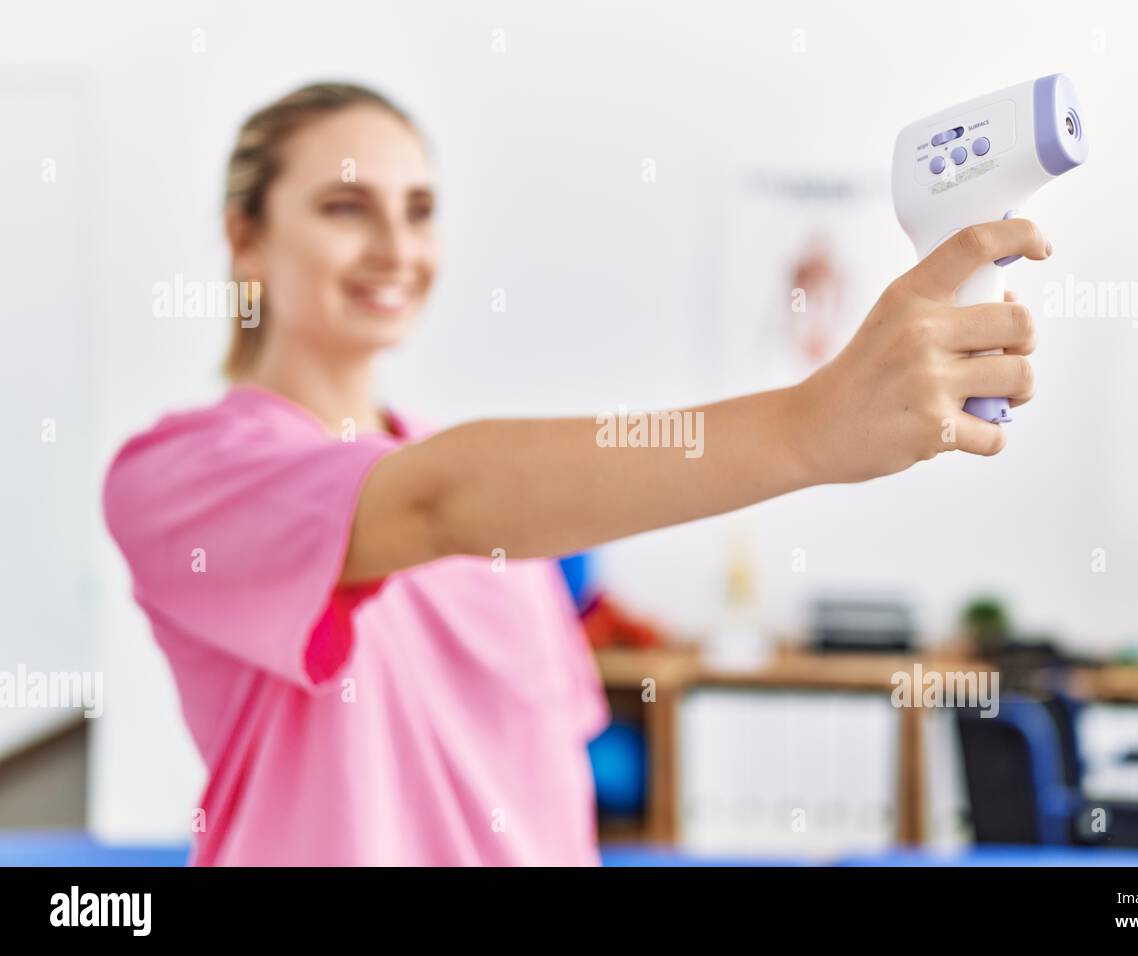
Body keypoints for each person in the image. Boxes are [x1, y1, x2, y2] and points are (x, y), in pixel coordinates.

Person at [103, 81, 1049, 866]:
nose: (396, 248)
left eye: (420, 209)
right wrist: (806, 429)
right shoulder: (181, 477)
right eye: (347, 206)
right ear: (245, 238)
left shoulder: (489, 489)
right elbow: (436, 502)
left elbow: (544, 781)